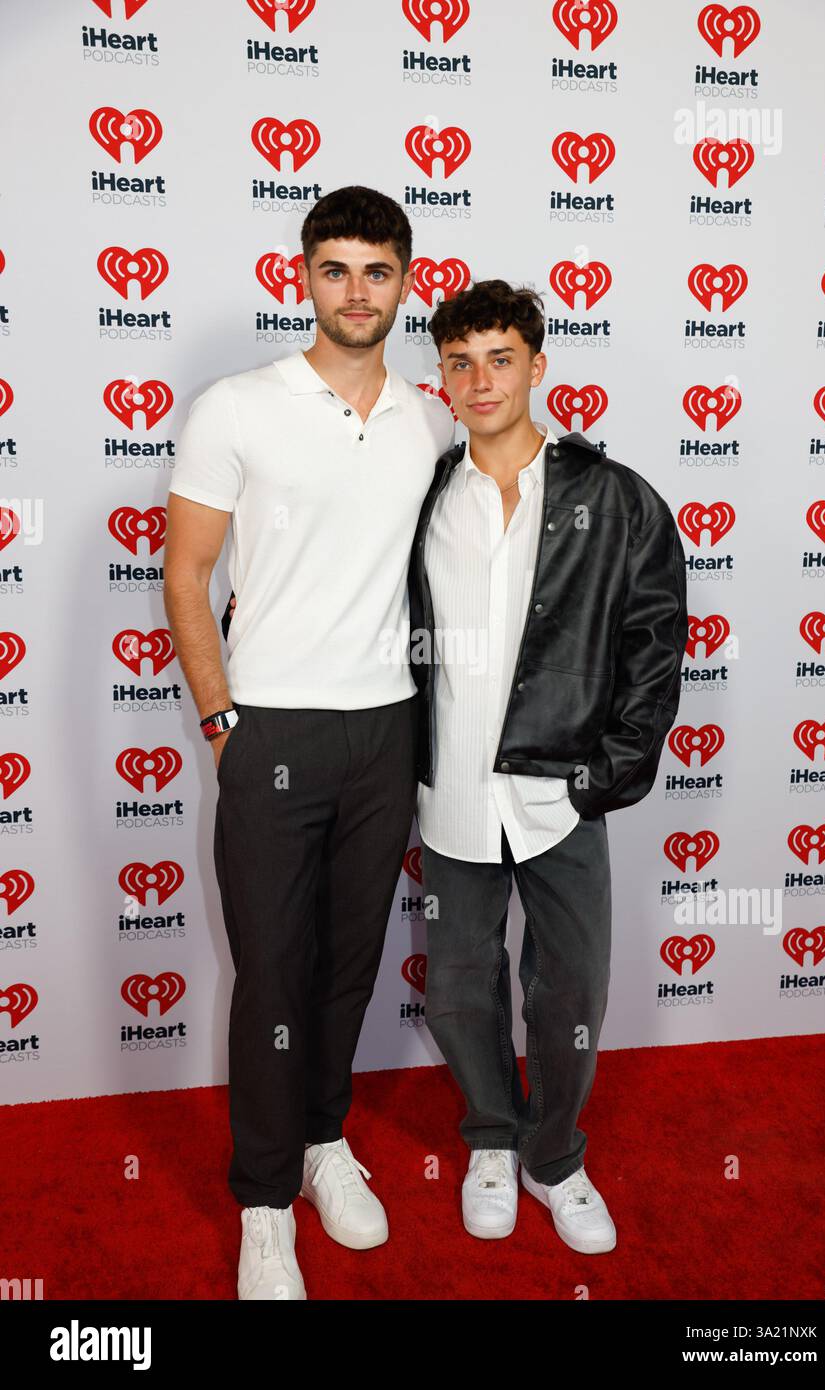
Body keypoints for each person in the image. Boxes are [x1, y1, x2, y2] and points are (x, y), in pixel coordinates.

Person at [163, 185, 454, 1300]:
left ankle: (327, 1141)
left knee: (349, 963)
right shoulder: (237, 405)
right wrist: (222, 720)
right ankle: (264, 1200)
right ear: (303, 278)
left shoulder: (431, 419)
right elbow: (186, 574)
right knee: (274, 971)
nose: (357, 291)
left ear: (406, 283)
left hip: (386, 728)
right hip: (270, 727)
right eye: (336, 269)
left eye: (378, 272)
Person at [406, 279, 688, 1253]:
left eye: (500, 357)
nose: (480, 380)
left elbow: (655, 642)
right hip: (449, 793)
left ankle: (554, 1156)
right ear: (440, 376)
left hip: (561, 793)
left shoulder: (611, 497)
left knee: (570, 990)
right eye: (460, 361)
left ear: (537, 364)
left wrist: (603, 773)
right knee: (458, 983)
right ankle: (491, 1133)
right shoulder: (427, 493)